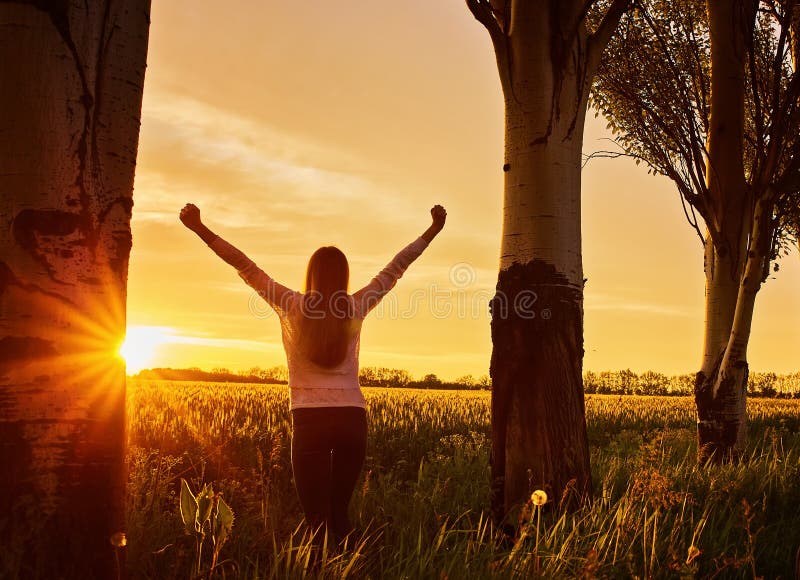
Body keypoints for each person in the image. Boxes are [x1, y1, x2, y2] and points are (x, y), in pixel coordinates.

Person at [179, 203, 446, 544]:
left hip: (309, 421)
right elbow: (396, 268)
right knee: (339, 515)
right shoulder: (356, 304)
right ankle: (353, 565)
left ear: (312, 274)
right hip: (352, 419)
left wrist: (199, 228)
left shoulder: (290, 304)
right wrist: (432, 230)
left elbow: (245, 266)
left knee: (316, 523)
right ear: (344, 276)